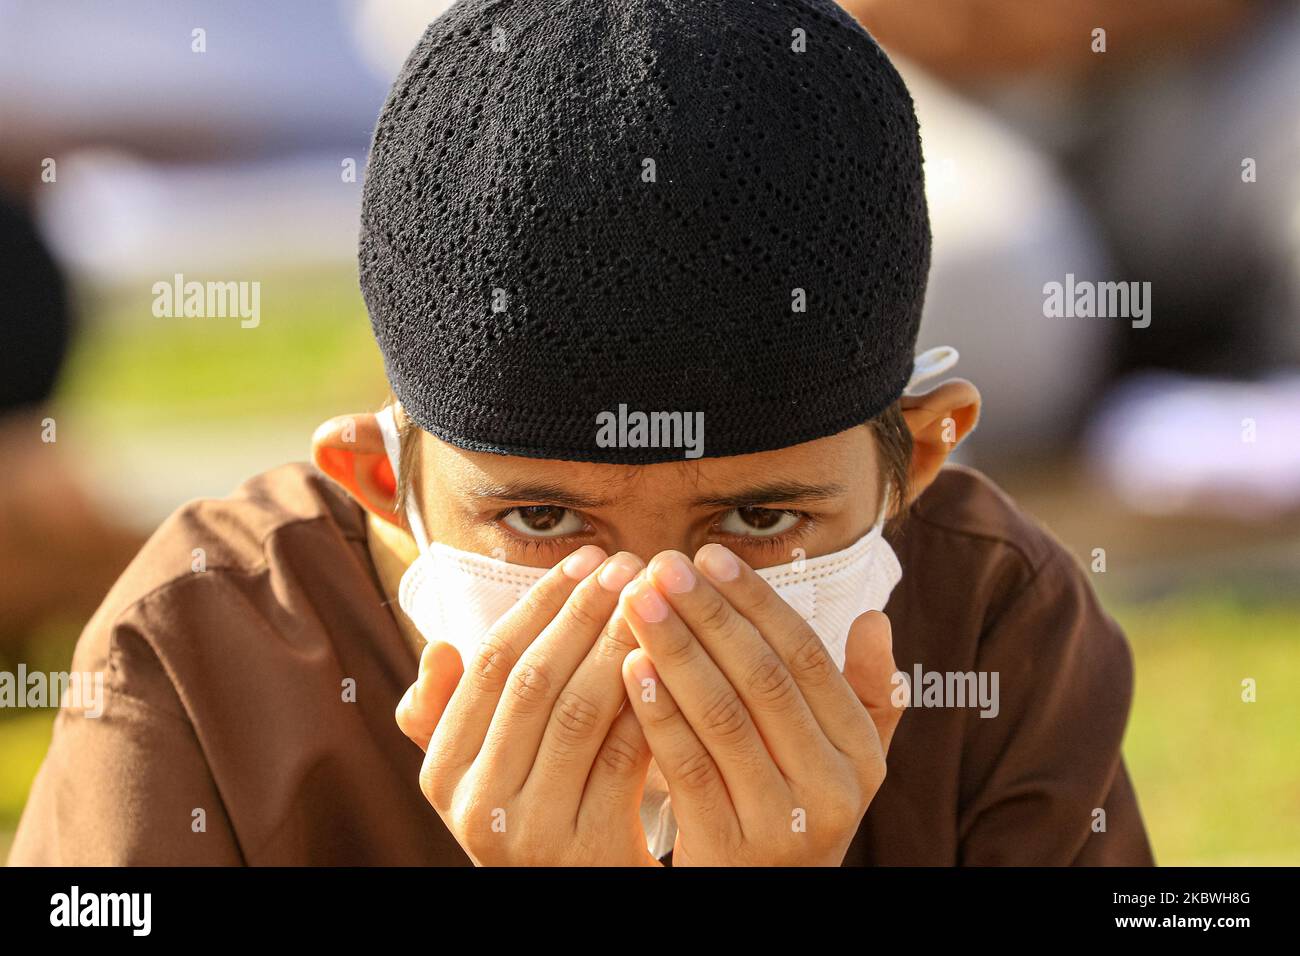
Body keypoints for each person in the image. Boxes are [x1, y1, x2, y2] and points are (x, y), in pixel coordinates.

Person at [8, 0, 1152, 866]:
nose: (652, 613)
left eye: (760, 519)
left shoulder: (1000, 633)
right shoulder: (202, 653)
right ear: (378, 480)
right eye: (541, 518)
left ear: (919, 461)